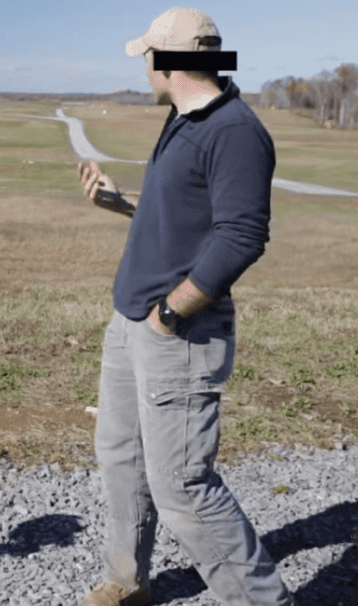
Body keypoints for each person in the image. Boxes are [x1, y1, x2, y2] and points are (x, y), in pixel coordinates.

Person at [76, 8, 293, 606]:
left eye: (148, 55)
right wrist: (121, 204)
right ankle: (128, 582)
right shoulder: (182, 118)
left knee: (182, 485)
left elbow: (242, 236)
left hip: (179, 332)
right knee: (121, 456)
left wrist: (172, 312)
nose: (144, 66)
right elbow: (183, 215)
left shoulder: (235, 131)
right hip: (131, 323)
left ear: (169, 62)